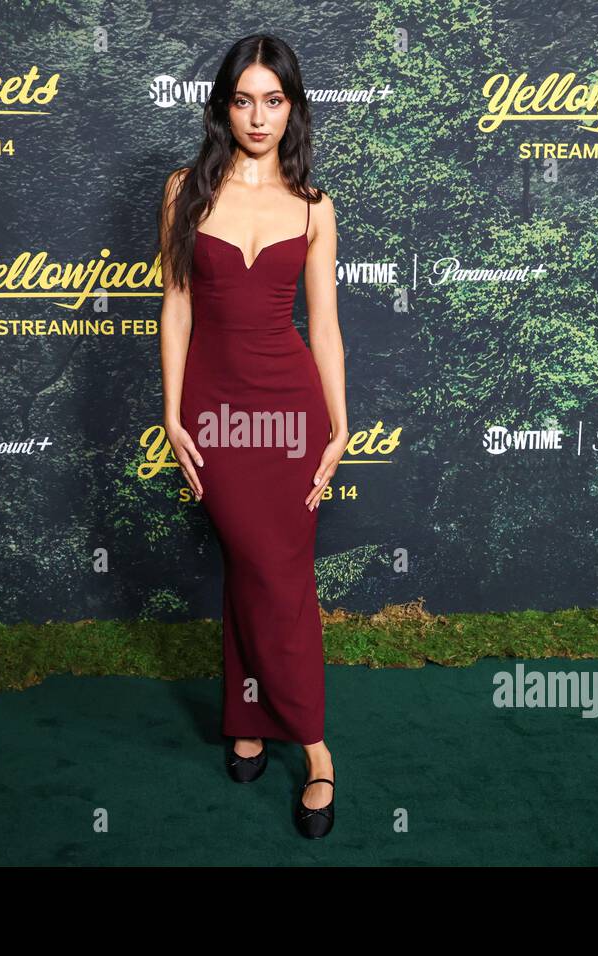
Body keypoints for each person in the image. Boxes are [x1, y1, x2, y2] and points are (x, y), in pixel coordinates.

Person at [157, 34, 348, 839]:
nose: (258, 116)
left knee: (279, 571)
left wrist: (340, 426)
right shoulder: (183, 192)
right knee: (249, 561)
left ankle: (310, 742)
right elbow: (176, 308)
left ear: (293, 107)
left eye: (274, 100)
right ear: (223, 107)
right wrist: (171, 414)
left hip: (291, 410)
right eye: (244, 100)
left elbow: (327, 329)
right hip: (215, 410)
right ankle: (253, 714)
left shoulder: (314, 206)